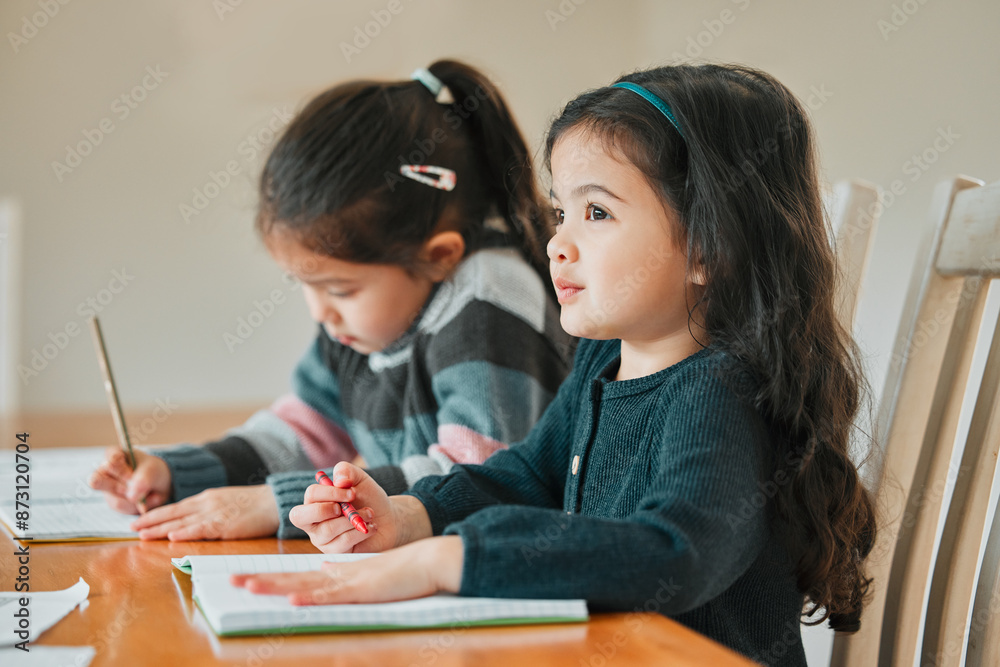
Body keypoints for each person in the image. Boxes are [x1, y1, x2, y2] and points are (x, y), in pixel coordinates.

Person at [232, 64, 878, 667]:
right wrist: (408, 515)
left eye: (596, 212)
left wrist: (449, 559)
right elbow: (529, 473)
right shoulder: (604, 359)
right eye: (562, 209)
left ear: (709, 245)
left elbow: (674, 556)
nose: (557, 241)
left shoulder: (719, 392)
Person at [88, 60, 575, 541]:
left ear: (439, 257)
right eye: (305, 284)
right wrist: (177, 475)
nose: (319, 312)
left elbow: (479, 475)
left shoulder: (490, 297)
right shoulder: (360, 323)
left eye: (340, 289)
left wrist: (279, 501)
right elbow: (302, 432)